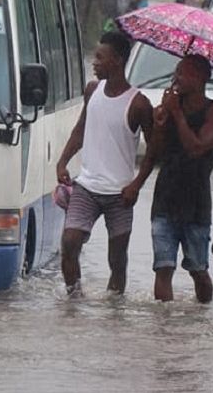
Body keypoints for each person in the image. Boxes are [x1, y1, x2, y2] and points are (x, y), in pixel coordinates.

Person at [56, 32, 154, 296]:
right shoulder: (92, 90)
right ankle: (74, 299)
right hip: (86, 187)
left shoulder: (139, 104)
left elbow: (154, 150)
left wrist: (136, 184)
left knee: (117, 259)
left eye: (100, 57)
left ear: (118, 61)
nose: (94, 63)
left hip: (120, 195)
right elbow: (81, 128)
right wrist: (63, 161)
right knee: (69, 243)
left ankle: (114, 308)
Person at [138, 55, 213, 303]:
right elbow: (154, 152)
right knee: (163, 267)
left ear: (202, 79)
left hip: (196, 204)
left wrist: (177, 114)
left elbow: (196, 148)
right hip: (165, 199)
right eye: (176, 72)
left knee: (198, 270)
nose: (177, 78)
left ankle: (202, 316)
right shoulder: (168, 108)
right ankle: (164, 326)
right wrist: (159, 123)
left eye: (184, 73)